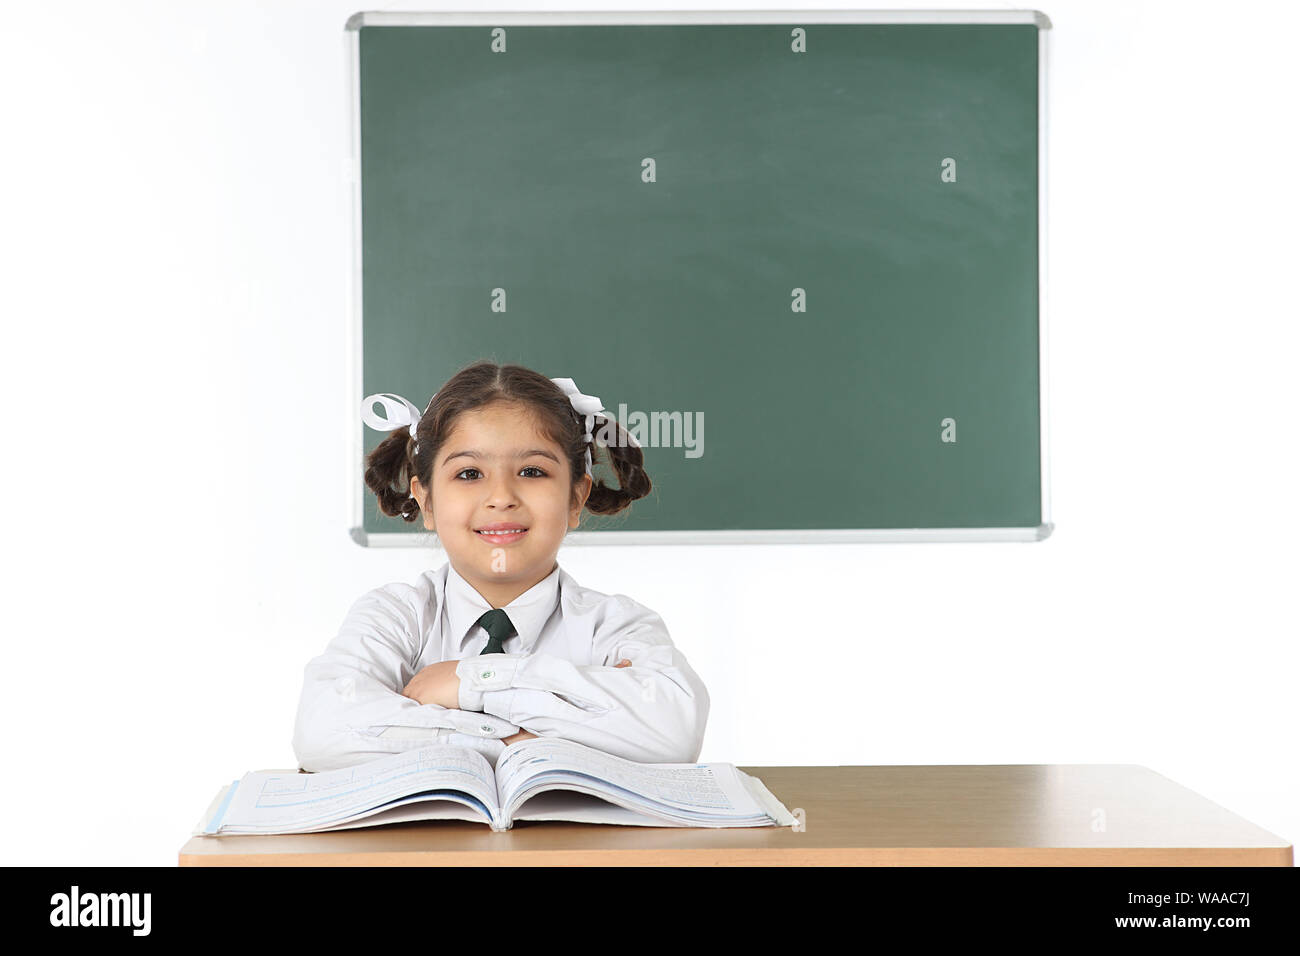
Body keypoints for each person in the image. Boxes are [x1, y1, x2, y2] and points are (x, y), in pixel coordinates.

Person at [291, 360, 710, 772]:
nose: (501, 497)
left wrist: (471, 682)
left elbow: (673, 732)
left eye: (532, 471)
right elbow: (323, 731)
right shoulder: (395, 617)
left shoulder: (617, 625)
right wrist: (520, 739)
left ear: (575, 499)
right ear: (427, 501)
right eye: (470, 473)